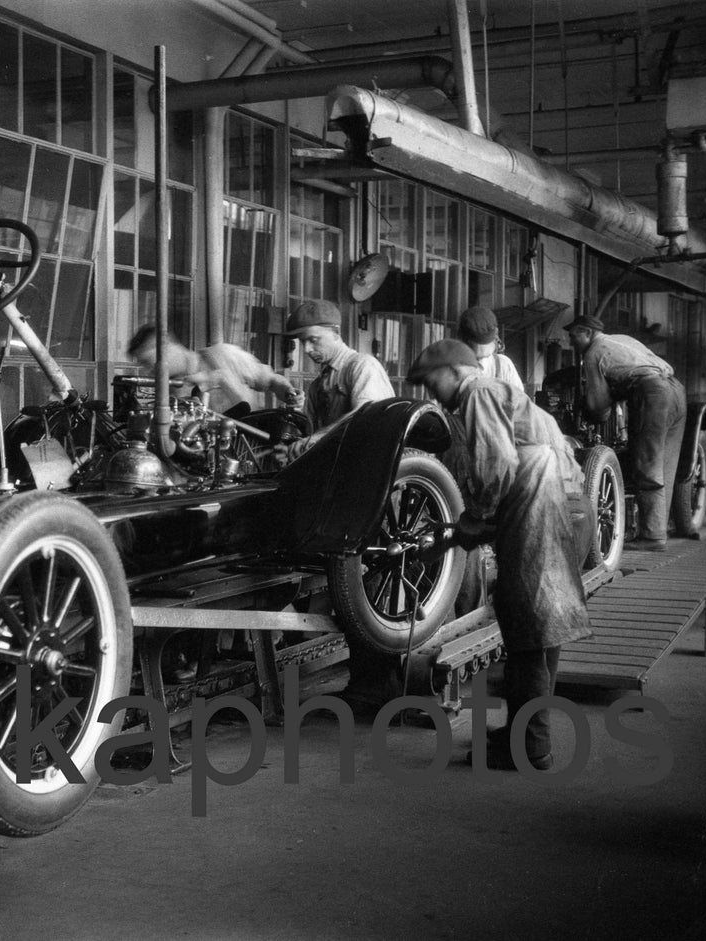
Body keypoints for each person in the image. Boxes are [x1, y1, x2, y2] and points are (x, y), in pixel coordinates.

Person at [407, 339, 591, 771]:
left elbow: (497, 464)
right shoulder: (504, 396)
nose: (430, 393)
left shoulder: (479, 392)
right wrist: (475, 528)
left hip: (543, 501)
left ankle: (530, 746)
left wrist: (475, 517)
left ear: (455, 370)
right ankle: (528, 732)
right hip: (567, 504)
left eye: (431, 382)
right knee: (542, 627)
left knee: (526, 621)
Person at [565, 313, 688, 547]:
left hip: (654, 394)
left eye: (573, 337)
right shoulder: (622, 339)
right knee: (665, 465)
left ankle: (651, 536)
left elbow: (599, 407)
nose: (571, 343)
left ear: (588, 333)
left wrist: (586, 412)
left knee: (647, 464)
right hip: (676, 389)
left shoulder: (592, 353)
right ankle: (658, 529)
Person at [274, 299, 394, 463]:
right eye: (303, 342)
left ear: (336, 333)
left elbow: (366, 418)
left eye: (314, 340)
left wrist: (313, 440)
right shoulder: (317, 385)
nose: (307, 349)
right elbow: (311, 433)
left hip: (369, 465)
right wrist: (291, 448)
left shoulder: (363, 366)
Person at [126, 323, 304, 416]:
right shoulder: (170, 390)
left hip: (251, 448)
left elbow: (271, 380)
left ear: (166, 344)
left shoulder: (223, 354)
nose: (151, 371)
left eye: (150, 362)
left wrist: (289, 393)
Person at [457, 306, 523, 391]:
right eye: (476, 357)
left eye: (485, 356)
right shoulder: (450, 368)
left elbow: (520, 401)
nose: (480, 361)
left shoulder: (503, 365)